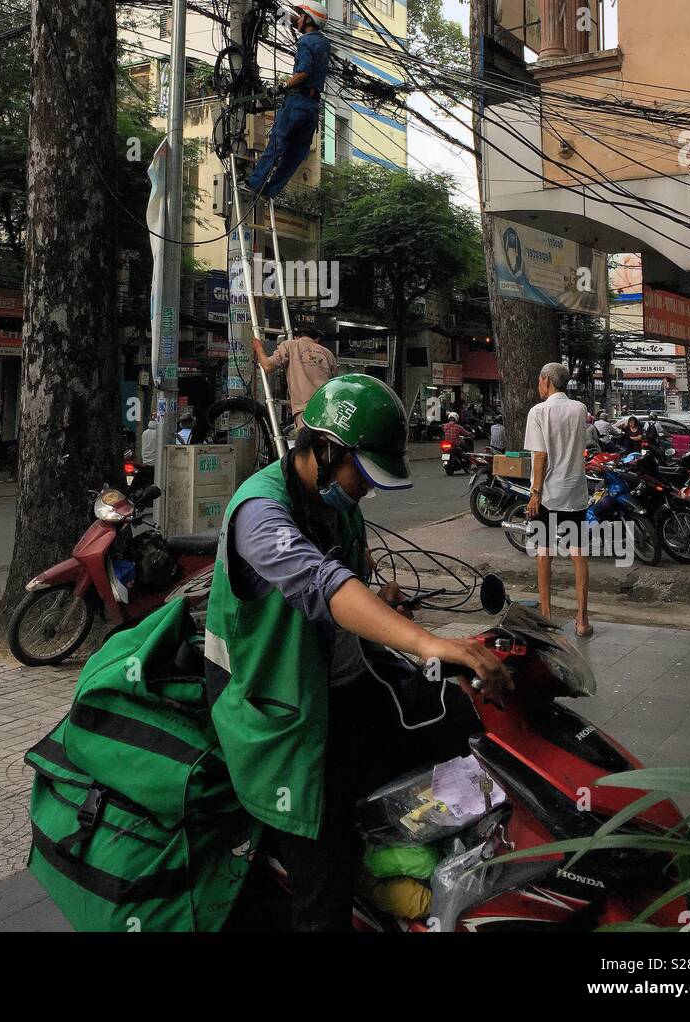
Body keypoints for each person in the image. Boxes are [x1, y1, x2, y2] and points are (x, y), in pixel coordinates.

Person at [205, 374, 511, 932]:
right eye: (361, 474)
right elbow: (321, 584)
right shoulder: (258, 512)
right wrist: (430, 642)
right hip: (278, 715)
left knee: (459, 727)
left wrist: (386, 603)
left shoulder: (339, 506)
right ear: (323, 448)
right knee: (325, 882)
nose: (365, 489)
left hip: (346, 683)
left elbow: (352, 583)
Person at [523, 362, 593, 638]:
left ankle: (547, 617)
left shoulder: (538, 412)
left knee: (544, 555)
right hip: (575, 492)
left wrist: (534, 494)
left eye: (540, 381)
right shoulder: (580, 409)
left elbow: (540, 456)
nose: (539, 385)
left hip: (548, 495)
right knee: (579, 555)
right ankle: (582, 620)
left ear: (546, 381)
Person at [244, 3, 329, 202]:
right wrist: (282, 14)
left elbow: (304, 71)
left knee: (277, 143)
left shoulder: (305, 43)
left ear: (308, 19)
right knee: (295, 155)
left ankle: (253, 185)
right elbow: (299, 26)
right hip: (313, 108)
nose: (298, 19)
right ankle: (269, 192)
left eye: (301, 16)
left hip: (297, 102)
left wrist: (282, 87)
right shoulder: (324, 43)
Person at [252, 326, 338, 430]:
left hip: (305, 410)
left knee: (306, 444)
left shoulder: (290, 345)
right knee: (324, 445)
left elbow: (267, 366)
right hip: (328, 411)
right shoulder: (328, 353)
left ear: (296, 337)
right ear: (317, 339)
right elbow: (335, 384)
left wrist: (258, 348)